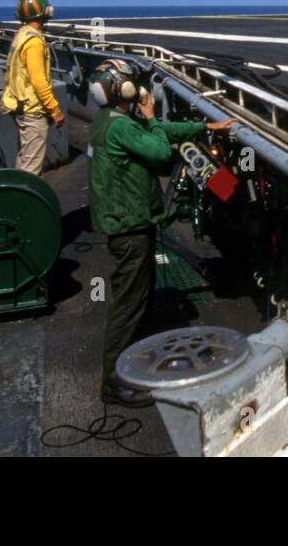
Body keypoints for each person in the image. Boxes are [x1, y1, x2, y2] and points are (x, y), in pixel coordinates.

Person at [87, 59, 235, 407]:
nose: (137, 89)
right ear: (122, 89)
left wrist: (203, 127)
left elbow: (160, 132)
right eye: (131, 85)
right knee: (129, 303)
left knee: (136, 297)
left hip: (126, 223)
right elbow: (156, 149)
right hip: (129, 226)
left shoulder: (110, 121)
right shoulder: (122, 126)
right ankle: (114, 382)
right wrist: (152, 116)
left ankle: (131, 362)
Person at [0, 0, 63, 175]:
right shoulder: (34, 41)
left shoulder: (22, 34)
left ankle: (16, 197)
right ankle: (24, 201)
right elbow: (39, 81)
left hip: (19, 105)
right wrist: (55, 110)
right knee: (32, 168)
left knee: (24, 158)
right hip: (33, 110)